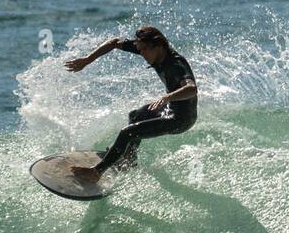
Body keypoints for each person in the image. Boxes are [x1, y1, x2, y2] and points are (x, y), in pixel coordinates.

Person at [64, 26, 197, 181]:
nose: (141, 54)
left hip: (181, 120)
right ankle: (128, 158)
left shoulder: (176, 64)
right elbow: (114, 43)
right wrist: (87, 60)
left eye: (143, 50)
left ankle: (97, 172)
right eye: (139, 50)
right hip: (170, 108)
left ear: (158, 46)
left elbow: (192, 89)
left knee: (128, 132)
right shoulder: (150, 49)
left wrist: (167, 98)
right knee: (135, 115)